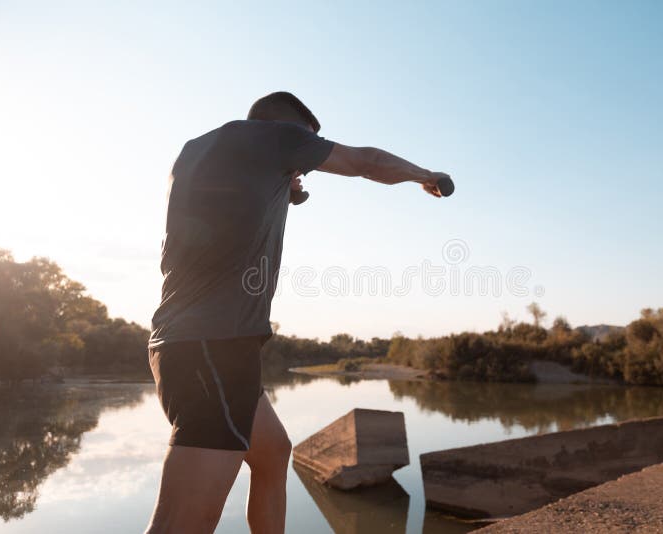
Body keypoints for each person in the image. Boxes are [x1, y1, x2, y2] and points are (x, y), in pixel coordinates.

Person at [144, 91, 450, 534]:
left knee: (273, 452)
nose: (307, 166)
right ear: (288, 130)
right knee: (184, 524)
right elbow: (366, 161)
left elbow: (228, 207)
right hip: (214, 349)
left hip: (190, 344)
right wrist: (425, 175)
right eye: (305, 151)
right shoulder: (274, 138)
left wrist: (283, 186)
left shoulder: (200, 150)